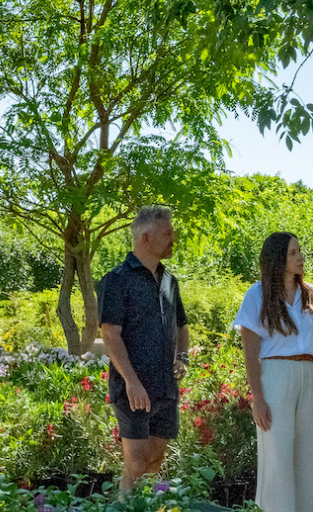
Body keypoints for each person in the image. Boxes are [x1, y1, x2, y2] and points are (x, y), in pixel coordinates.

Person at [234, 232, 313, 512]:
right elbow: (250, 353)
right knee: (277, 457)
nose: (300, 257)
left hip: (311, 377)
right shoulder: (257, 295)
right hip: (276, 375)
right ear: (277, 258)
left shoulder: (312, 294)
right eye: (293, 253)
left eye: (300, 251)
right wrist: (258, 399)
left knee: (309, 457)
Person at [98, 205, 189, 493]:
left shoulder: (170, 281)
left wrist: (182, 357)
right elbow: (110, 334)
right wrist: (132, 382)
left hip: (165, 388)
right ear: (147, 238)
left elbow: (181, 326)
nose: (173, 239)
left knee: (154, 462)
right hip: (133, 391)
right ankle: (124, 508)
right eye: (167, 233)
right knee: (136, 464)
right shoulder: (117, 280)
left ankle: (146, 507)